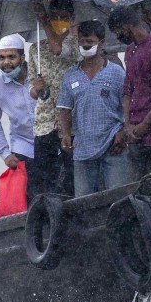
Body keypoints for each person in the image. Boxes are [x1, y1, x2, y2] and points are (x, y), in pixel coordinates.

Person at [56, 20, 129, 196]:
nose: (85, 46)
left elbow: (128, 102)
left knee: (118, 197)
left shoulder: (116, 72)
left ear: (101, 43)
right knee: (84, 201)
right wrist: (66, 134)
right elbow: (64, 108)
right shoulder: (70, 75)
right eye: (82, 42)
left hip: (113, 142)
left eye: (90, 42)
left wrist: (124, 131)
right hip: (82, 147)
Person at [107, 4, 151, 181]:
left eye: (117, 32)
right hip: (135, 133)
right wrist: (128, 124)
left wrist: (146, 123)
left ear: (126, 27)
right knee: (135, 189)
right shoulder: (130, 51)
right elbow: (127, 89)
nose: (117, 37)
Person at [0, 34, 48, 201]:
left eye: (11, 57)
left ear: (23, 57)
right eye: (1, 58)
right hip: (23, 146)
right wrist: (4, 153)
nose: (6, 62)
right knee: (31, 197)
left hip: (50, 142)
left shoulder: (40, 76)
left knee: (55, 189)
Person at [26, 0, 79, 196]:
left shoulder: (76, 45)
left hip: (71, 123)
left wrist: (45, 22)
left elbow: (58, 50)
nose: (59, 21)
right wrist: (36, 89)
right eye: (54, 17)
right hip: (44, 123)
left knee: (70, 176)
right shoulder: (35, 49)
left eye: (63, 18)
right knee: (44, 177)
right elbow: (32, 91)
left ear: (72, 19)